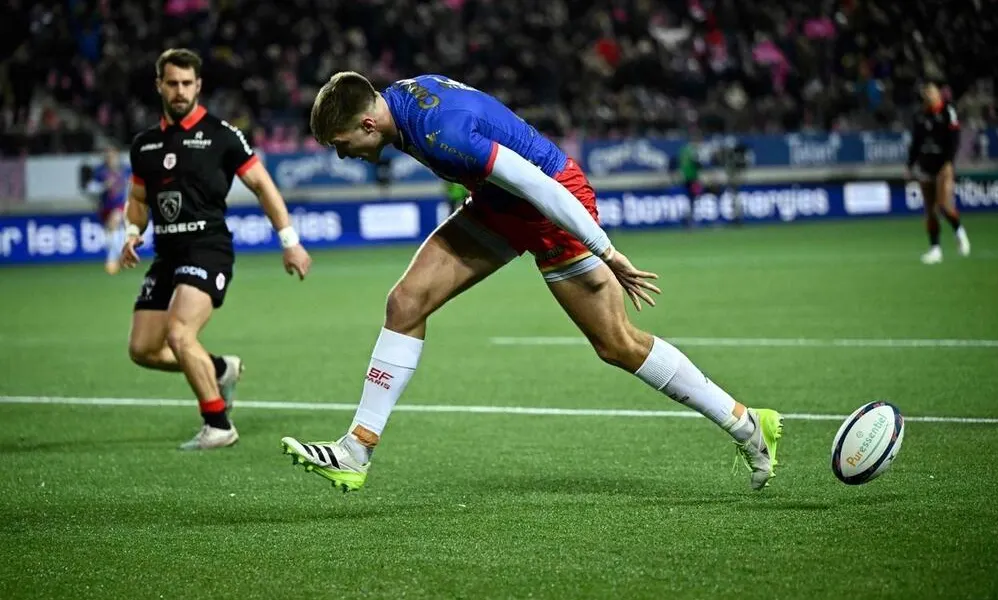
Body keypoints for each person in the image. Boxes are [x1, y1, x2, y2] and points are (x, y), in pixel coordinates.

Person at [281, 73, 782, 492]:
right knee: (405, 303)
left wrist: (606, 250)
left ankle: (746, 423)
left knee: (617, 344)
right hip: (500, 205)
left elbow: (539, 184)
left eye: (342, 145)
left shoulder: (440, 129)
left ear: (368, 123)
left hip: (552, 207)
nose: (343, 156)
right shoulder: (400, 101)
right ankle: (356, 450)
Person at [121, 48, 312, 450]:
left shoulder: (222, 135)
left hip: (208, 249)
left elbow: (262, 184)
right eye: (172, 83)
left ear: (198, 85)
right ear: (159, 85)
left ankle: (218, 423)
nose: (179, 91)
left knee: (179, 333)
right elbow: (138, 199)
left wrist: (290, 241)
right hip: (166, 255)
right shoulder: (145, 145)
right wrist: (131, 230)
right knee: (142, 349)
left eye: (187, 83)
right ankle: (221, 369)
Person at [907, 82, 970, 265]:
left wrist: (949, 162)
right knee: (930, 210)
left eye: (932, 93)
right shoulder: (919, 117)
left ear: (938, 95)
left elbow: (954, 139)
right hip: (925, 164)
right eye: (926, 94)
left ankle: (959, 232)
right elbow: (916, 142)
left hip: (943, 165)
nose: (929, 96)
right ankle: (935, 249)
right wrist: (910, 165)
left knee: (943, 204)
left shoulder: (947, 113)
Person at [85, 147, 132, 274]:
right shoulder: (100, 171)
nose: (110, 158)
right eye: (108, 156)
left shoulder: (125, 169)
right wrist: (104, 186)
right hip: (105, 206)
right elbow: (90, 188)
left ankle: (111, 259)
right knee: (113, 232)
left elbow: (133, 184)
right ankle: (121, 255)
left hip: (120, 205)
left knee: (114, 222)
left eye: (112, 156)